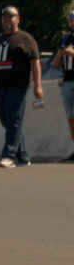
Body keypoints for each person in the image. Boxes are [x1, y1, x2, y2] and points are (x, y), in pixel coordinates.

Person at [0, 5, 43, 168]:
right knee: (8, 121)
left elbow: (36, 63)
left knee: (14, 121)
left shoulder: (26, 39)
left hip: (18, 86)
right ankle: (23, 156)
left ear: (17, 19)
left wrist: (38, 86)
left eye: (10, 16)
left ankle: (9, 156)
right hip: (0, 87)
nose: (7, 19)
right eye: (4, 16)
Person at [51, 9, 74, 162]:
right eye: (72, 20)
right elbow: (55, 63)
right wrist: (60, 54)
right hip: (67, 81)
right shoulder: (65, 38)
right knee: (71, 117)